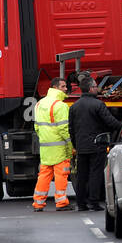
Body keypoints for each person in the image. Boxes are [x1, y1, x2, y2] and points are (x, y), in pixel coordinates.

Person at [68, 73, 122, 212]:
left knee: (82, 175)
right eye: (96, 87)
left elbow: (71, 128)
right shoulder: (98, 104)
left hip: (81, 146)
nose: (97, 89)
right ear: (91, 88)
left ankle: (81, 203)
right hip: (97, 145)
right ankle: (94, 202)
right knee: (95, 173)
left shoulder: (74, 106)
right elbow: (110, 122)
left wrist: (76, 144)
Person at [33, 76, 75, 211]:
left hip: (45, 147)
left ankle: (38, 203)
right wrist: (71, 145)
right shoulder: (60, 105)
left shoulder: (39, 104)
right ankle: (62, 203)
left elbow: (37, 127)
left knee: (44, 175)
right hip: (59, 148)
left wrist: (45, 139)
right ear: (55, 88)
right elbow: (64, 129)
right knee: (61, 175)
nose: (66, 88)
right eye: (63, 86)